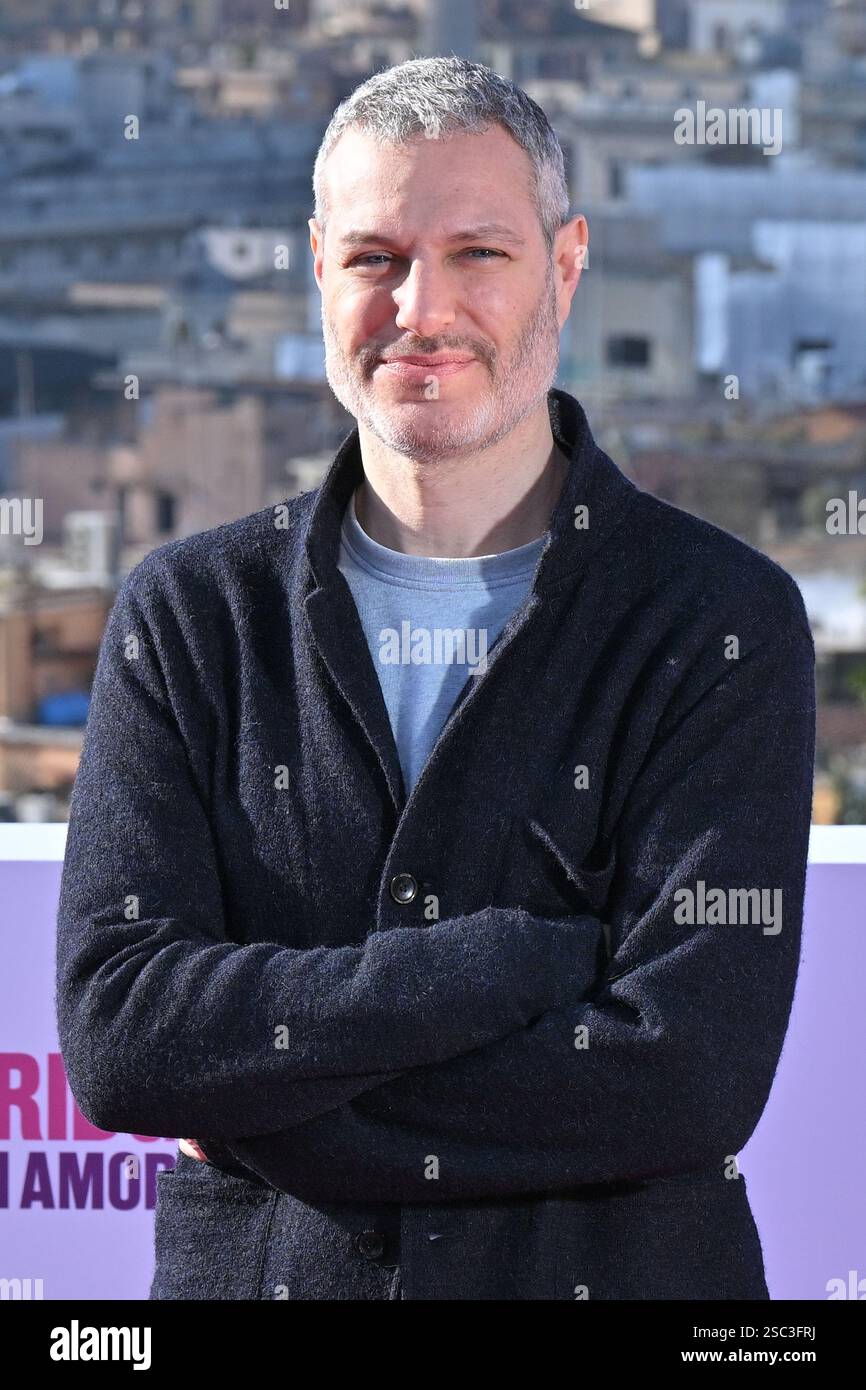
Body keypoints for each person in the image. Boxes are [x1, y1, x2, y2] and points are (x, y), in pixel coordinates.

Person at [56, 56, 816, 1301]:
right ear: (316, 269)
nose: (420, 306)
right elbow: (124, 1037)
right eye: (373, 258)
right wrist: (508, 966)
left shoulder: (717, 620)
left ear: (564, 268)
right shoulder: (189, 616)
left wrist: (259, 1106)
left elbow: (684, 1076)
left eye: (477, 253)